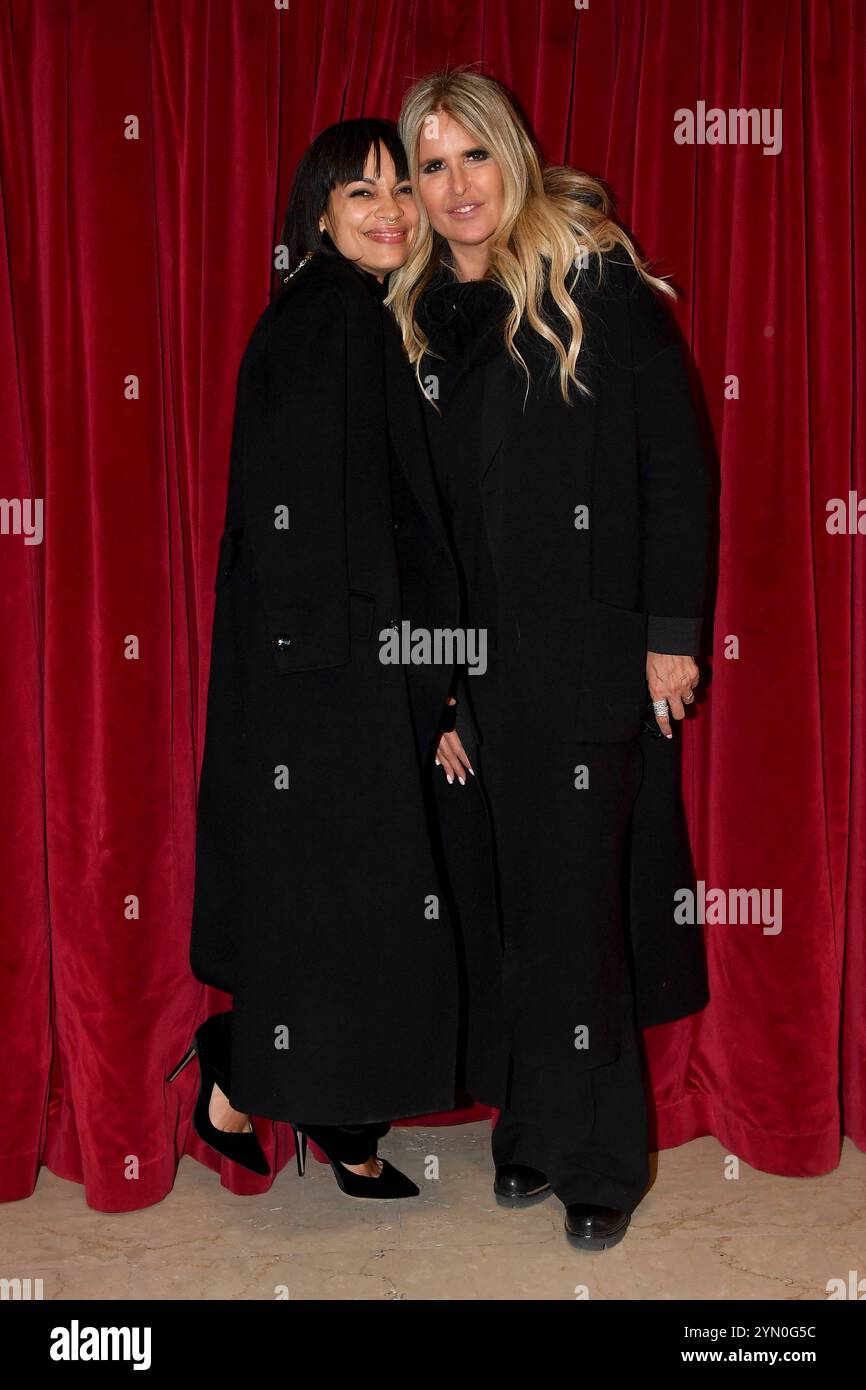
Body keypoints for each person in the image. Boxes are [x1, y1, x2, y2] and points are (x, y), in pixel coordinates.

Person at [389, 69, 711, 1248]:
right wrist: (436, 684)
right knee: (502, 917)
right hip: (474, 672)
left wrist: (668, 640)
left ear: (512, 158)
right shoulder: (415, 313)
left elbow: (671, 463)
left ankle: (598, 1163)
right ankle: (524, 1131)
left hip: (583, 662)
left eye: (472, 155)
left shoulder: (592, 281)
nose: (456, 185)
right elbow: (418, 524)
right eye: (432, 165)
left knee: (579, 920)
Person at [171, 119, 464, 1200]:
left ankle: (274, 1094)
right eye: (360, 194)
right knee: (347, 903)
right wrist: (363, 681)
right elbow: (292, 517)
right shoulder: (332, 315)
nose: (389, 208)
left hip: (331, 666)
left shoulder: (340, 312)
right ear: (319, 216)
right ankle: (300, 1106)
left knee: (340, 906)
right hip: (329, 679)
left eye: (399, 188)